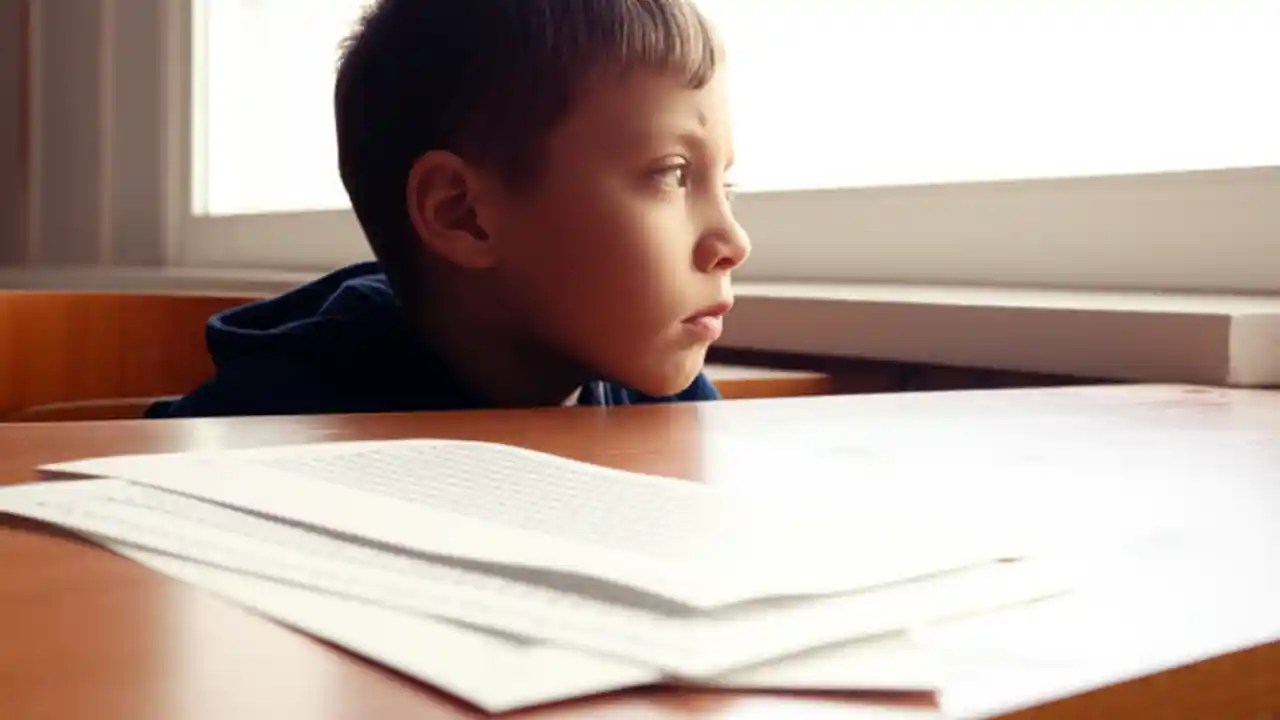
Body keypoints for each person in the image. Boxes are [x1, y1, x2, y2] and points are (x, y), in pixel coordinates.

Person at [152, 0, 750, 418]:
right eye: (672, 174)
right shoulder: (272, 419)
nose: (732, 240)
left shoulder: (664, 400)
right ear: (463, 214)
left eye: (726, 184)